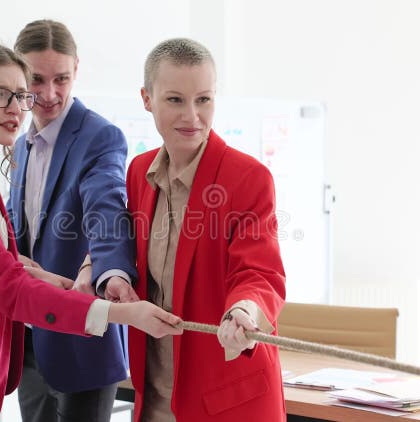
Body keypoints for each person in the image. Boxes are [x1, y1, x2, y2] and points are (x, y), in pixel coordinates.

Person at [0, 41, 182, 422]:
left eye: (20, 96)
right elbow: (4, 286)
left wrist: (50, 277)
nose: (16, 108)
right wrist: (121, 314)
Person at [123, 38, 287, 421]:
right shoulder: (139, 172)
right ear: (147, 99)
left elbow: (259, 272)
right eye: (175, 100)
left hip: (226, 401)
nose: (192, 116)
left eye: (204, 100)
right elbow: (127, 250)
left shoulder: (248, 178)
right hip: (156, 397)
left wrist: (244, 309)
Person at [6, 19, 139, 422]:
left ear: (76, 69)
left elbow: (107, 207)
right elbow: (20, 226)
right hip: (31, 335)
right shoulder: (19, 144)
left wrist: (108, 268)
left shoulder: (100, 136)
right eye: (37, 80)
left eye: (61, 79)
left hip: (83, 334)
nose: (49, 94)